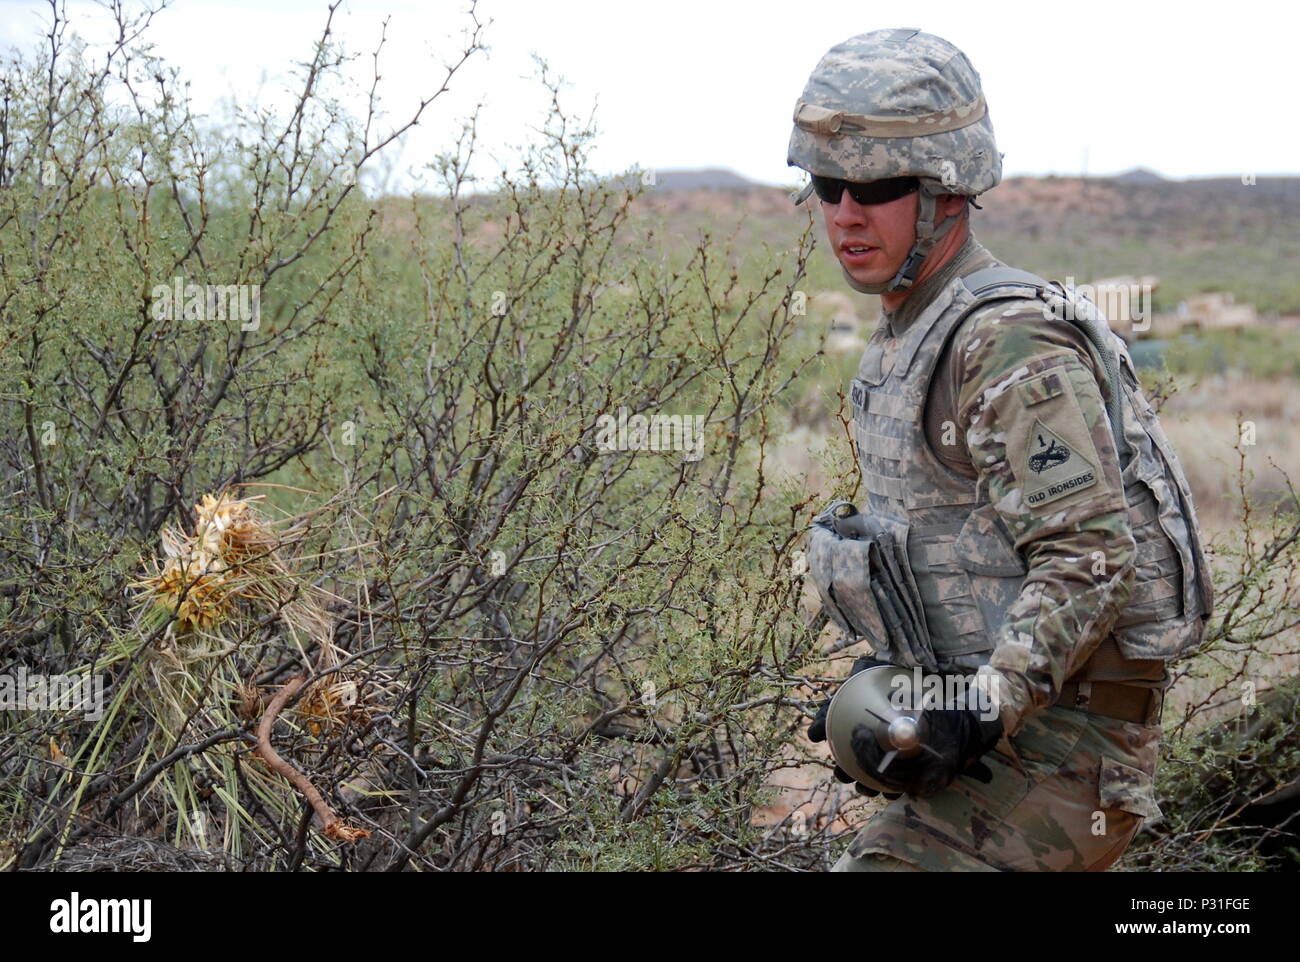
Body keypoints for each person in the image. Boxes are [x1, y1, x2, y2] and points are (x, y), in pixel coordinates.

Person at [792, 29, 1214, 872]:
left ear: (948, 191)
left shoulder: (1008, 341)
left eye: (874, 186)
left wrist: (973, 711)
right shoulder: (908, 332)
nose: (844, 213)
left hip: (1065, 752)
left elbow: (1090, 558)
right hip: (998, 738)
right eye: (827, 184)